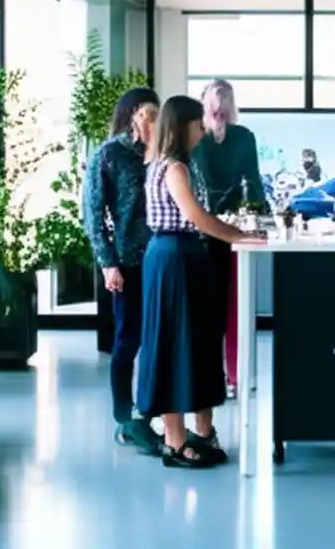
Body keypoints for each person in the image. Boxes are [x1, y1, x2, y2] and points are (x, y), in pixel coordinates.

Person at [138, 95, 264, 469]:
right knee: (175, 343)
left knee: (193, 342)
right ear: (183, 126)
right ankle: (175, 442)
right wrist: (239, 235)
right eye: (198, 123)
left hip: (182, 256)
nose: (204, 130)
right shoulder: (174, 168)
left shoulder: (173, 163)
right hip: (174, 257)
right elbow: (196, 217)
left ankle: (201, 432)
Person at [82, 87, 162, 455]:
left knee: (157, 340)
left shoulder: (162, 154)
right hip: (126, 262)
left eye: (158, 114)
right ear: (132, 116)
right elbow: (93, 214)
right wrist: (107, 263)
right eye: (148, 114)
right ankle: (123, 417)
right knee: (127, 340)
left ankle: (150, 412)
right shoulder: (108, 154)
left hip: (160, 259)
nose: (154, 121)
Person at [192, 79, 265, 400]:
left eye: (222, 105)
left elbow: (253, 182)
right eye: (216, 104)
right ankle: (223, 375)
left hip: (219, 230)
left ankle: (224, 375)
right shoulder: (209, 138)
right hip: (216, 231)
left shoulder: (229, 137)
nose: (219, 111)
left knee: (221, 306)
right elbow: (251, 184)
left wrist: (259, 216)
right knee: (221, 306)